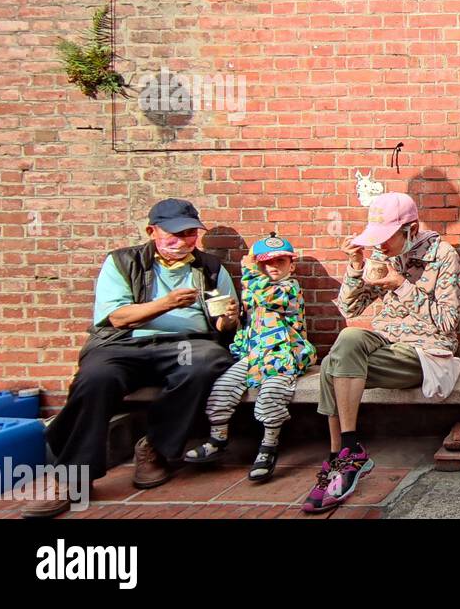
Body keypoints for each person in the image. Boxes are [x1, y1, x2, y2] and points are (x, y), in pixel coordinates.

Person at [25, 199, 239, 518]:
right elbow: (117, 317)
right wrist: (164, 304)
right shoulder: (123, 262)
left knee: (208, 361)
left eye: (190, 233)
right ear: (152, 231)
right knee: (96, 377)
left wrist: (229, 320)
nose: (183, 241)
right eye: (175, 234)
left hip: (186, 345)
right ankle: (72, 477)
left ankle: (154, 448)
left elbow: (223, 324)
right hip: (125, 344)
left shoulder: (209, 267)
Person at [302, 192, 460, 513]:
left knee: (334, 363)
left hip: (427, 353)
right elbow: (350, 307)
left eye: (386, 237)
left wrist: (401, 284)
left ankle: (340, 458)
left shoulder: (444, 256)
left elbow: (447, 322)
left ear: (411, 229)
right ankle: (346, 451)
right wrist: (355, 266)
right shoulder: (383, 256)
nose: (381, 245)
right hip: (386, 344)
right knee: (347, 339)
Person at [183, 233, 315, 482]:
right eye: (265, 262)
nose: (272, 267)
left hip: (282, 355)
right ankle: (217, 438)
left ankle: (268, 446)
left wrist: (250, 269)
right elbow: (248, 324)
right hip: (253, 356)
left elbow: (268, 296)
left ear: (292, 265)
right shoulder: (253, 289)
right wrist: (233, 318)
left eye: (280, 262)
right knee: (222, 388)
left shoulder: (288, 288)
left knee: (271, 395)